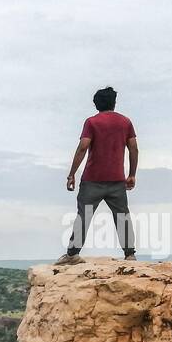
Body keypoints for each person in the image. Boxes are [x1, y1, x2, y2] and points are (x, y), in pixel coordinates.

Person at [58, 86, 139, 263]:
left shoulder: (92, 122)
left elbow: (83, 147)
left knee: (84, 216)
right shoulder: (125, 122)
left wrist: (72, 174)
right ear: (114, 103)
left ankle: (72, 254)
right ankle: (130, 254)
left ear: (96, 105)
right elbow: (133, 148)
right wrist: (132, 174)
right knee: (122, 216)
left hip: (92, 180)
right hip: (117, 180)